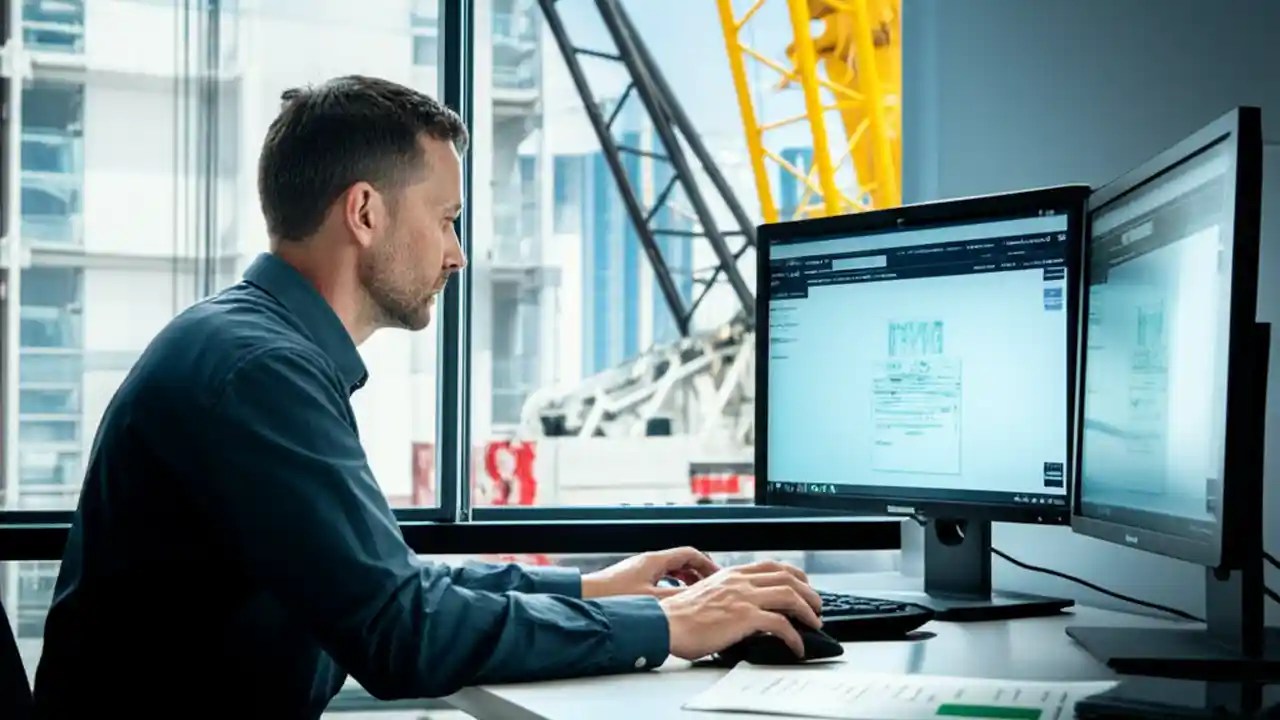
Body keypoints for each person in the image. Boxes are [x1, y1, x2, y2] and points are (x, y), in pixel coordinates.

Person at [31, 75, 822, 717]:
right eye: (446, 219)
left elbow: (392, 583)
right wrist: (667, 624)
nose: (458, 254)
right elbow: (399, 633)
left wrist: (595, 585)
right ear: (365, 213)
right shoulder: (258, 372)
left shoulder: (250, 346)